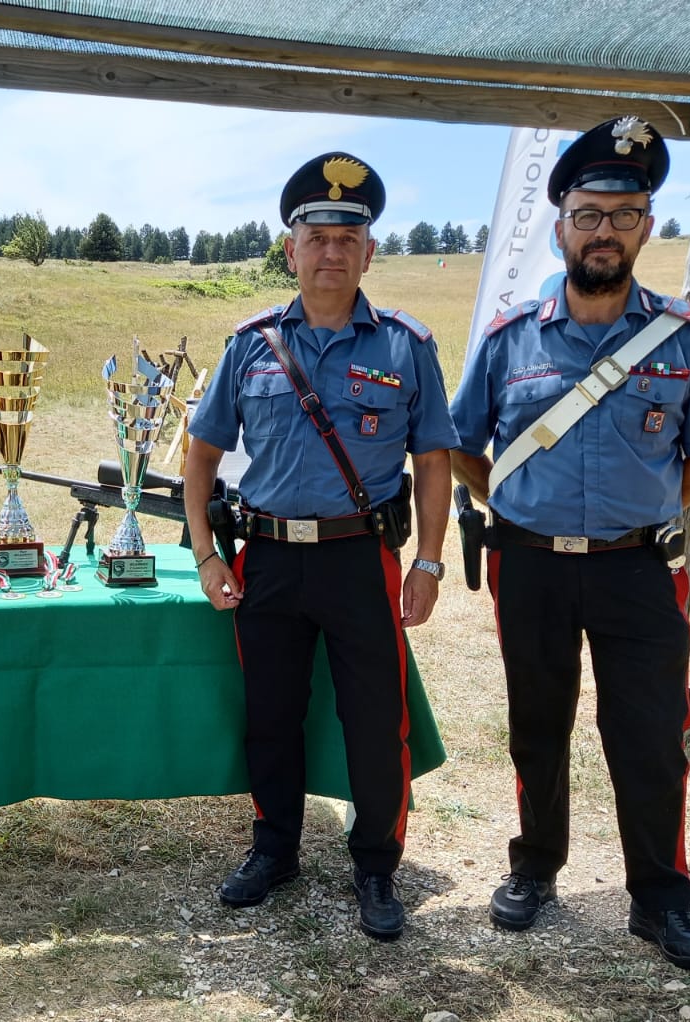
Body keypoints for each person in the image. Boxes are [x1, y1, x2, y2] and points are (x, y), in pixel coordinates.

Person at [449, 116, 690, 973]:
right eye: (589, 214)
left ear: (646, 229)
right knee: (536, 726)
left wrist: (644, 507)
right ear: (560, 227)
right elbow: (465, 444)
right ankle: (536, 870)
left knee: (650, 734)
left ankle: (660, 901)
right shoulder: (511, 338)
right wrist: (514, 505)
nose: (605, 232)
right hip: (533, 565)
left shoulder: (685, 338)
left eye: (624, 215)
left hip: (638, 569)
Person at [183, 152, 457, 941]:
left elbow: (433, 461)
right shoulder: (251, 345)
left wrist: (431, 561)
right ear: (290, 249)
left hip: (358, 558)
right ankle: (275, 850)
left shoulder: (406, 347)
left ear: (368, 252)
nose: (331, 251)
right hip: (265, 558)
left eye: (348, 237)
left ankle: (376, 864)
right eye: (315, 235)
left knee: (377, 719)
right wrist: (207, 555)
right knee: (270, 714)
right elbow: (200, 458)